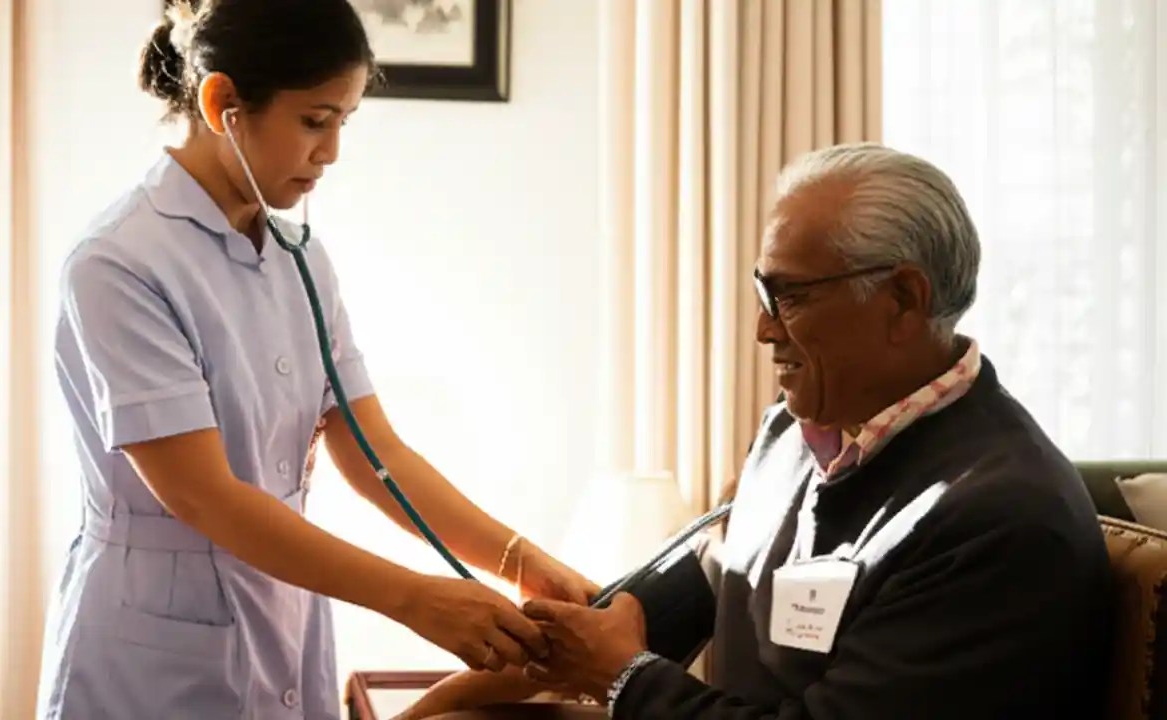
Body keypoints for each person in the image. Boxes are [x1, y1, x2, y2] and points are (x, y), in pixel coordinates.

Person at [401, 143, 1114, 719]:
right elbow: (701, 583)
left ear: (902, 299)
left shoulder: (1000, 518)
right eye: (762, 291)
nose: (764, 329)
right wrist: (501, 673)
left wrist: (623, 677)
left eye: (790, 296)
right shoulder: (795, 436)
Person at [34, 1, 596, 718]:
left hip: (284, 610)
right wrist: (415, 599)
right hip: (152, 649)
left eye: (343, 123)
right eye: (314, 121)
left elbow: (376, 453)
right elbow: (205, 496)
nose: (330, 152)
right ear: (223, 103)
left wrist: (523, 561)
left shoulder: (299, 256)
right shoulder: (119, 263)